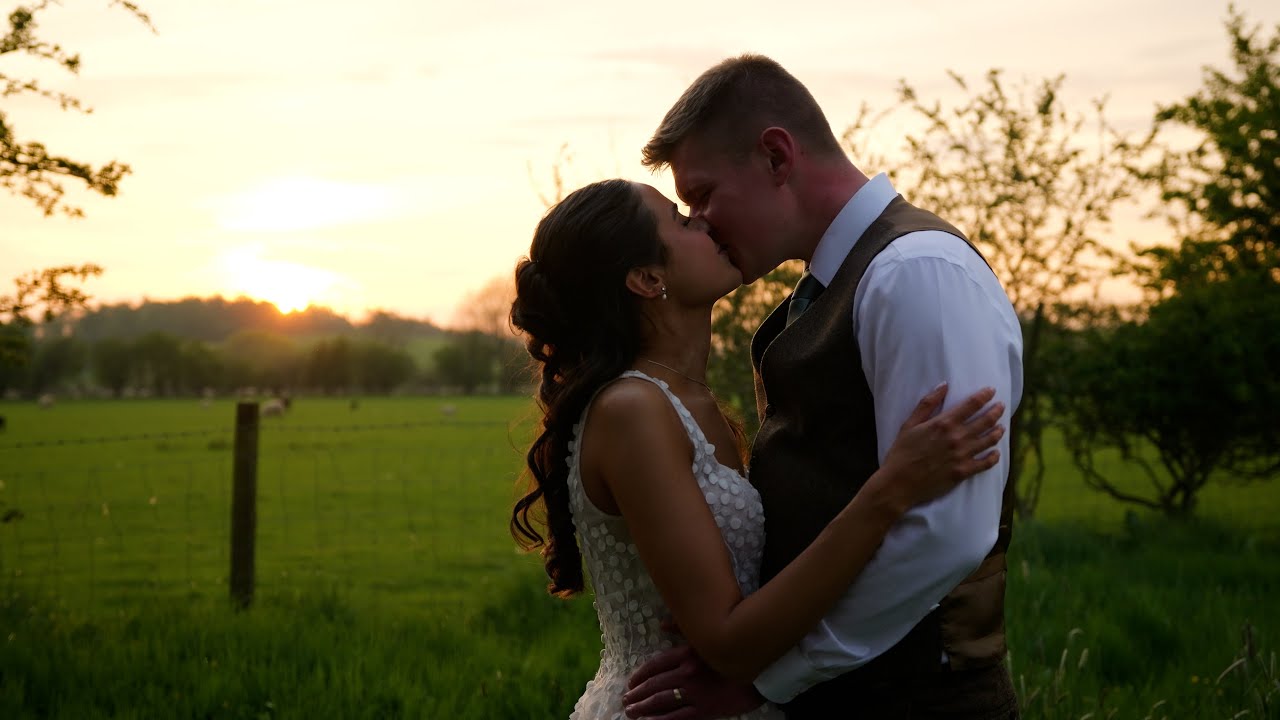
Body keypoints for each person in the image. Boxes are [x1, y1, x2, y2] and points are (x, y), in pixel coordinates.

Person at [509, 177, 1008, 720]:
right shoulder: (633, 410)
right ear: (648, 278)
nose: (702, 221)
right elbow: (728, 641)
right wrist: (892, 488)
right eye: (679, 220)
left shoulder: (689, 400)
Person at [622, 55, 1024, 720]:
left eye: (704, 196)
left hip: (919, 701)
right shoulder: (831, 285)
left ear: (777, 157)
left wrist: (770, 680)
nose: (703, 223)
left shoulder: (915, 272)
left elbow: (948, 533)